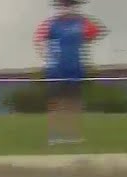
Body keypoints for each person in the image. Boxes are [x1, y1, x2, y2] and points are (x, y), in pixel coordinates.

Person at [35, 0, 106, 146]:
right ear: (58, 7)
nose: (66, 9)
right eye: (63, 6)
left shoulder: (82, 22)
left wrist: (84, 40)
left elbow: (97, 32)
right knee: (56, 102)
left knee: (73, 102)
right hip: (56, 69)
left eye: (70, 6)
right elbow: (38, 39)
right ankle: (54, 135)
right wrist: (45, 56)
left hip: (75, 68)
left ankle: (73, 135)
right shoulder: (51, 24)